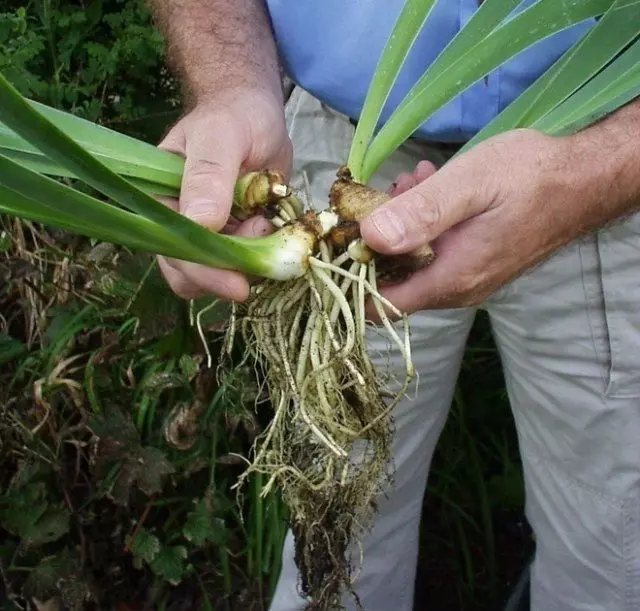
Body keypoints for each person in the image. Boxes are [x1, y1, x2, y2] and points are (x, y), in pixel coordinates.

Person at [149, 1, 640, 609]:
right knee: (332, 501)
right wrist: (229, 85)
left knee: (614, 547)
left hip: (608, 144)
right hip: (340, 146)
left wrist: (606, 167)